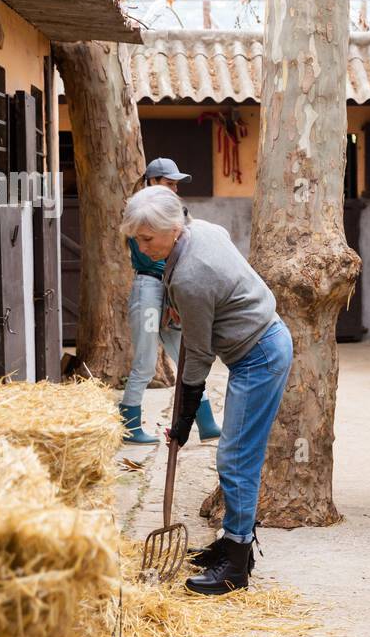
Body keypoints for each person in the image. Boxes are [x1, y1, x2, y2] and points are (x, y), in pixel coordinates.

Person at [119, 186, 292, 595]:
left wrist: (182, 421)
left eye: (148, 239)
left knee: (236, 456)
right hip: (263, 341)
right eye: (136, 240)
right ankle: (234, 543)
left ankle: (236, 566)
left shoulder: (191, 276)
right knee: (236, 454)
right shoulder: (206, 230)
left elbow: (197, 356)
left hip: (260, 355)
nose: (142, 248)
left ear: (174, 229)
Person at [120, 158, 222, 445]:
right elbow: (150, 259)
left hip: (171, 290)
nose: (174, 189)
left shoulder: (174, 212)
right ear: (151, 182)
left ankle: (206, 423)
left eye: (176, 184)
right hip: (151, 289)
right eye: (168, 183)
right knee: (145, 362)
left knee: (186, 358)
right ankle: (129, 425)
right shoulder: (139, 214)